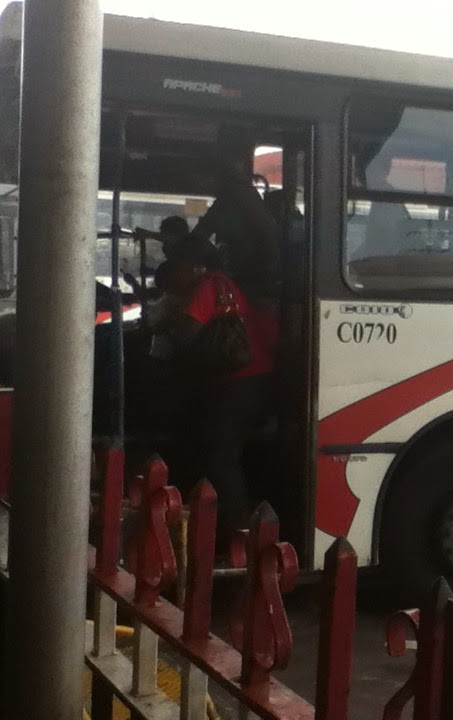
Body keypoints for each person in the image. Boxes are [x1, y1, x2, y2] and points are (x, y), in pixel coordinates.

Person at [166, 237, 278, 541]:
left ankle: (236, 530)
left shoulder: (206, 287)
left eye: (178, 268)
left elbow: (186, 335)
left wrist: (170, 317)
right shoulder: (226, 284)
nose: (175, 275)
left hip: (239, 383)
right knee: (219, 450)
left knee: (221, 455)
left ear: (193, 266)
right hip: (255, 378)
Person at [188, 154, 278, 300]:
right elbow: (199, 234)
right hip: (240, 273)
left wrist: (267, 272)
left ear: (217, 177)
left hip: (251, 277)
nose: (202, 186)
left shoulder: (239, 196)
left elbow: (267, 231)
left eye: (203, 180)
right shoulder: (227, 200)